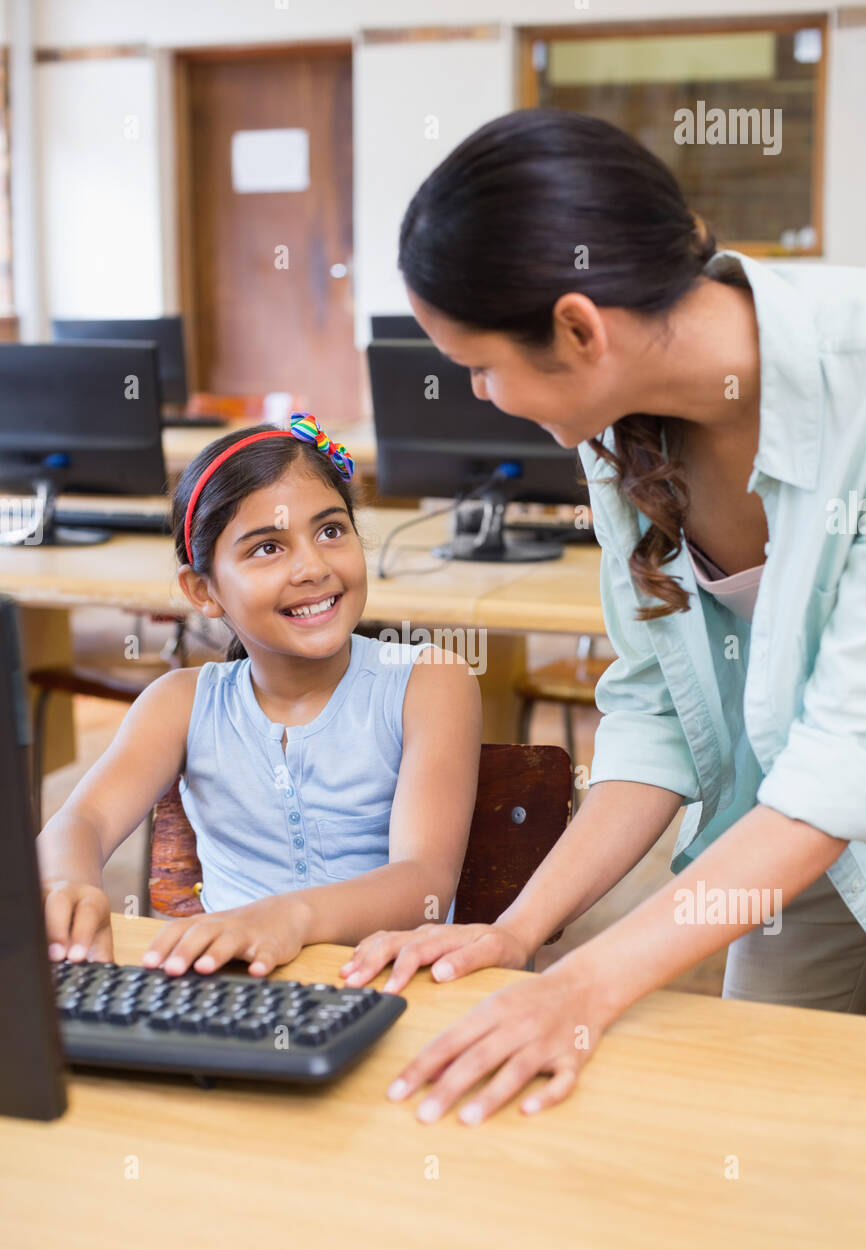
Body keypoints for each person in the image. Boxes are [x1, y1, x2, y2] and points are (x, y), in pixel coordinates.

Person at [340, 108, 866, 1126]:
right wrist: (521, 930)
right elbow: (655, 711)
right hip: (788, 841)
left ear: (579, 326)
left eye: (479, 366)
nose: (481, 395)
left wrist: (583, 988)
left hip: (813, 809)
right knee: (756, 1138)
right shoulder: (612, 417)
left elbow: (839, 766)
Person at [37, 417, 481, 976]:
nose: (313, 567)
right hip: (238, 987)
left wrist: (286, 918)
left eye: (330, 531)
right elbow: (81, 822)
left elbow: (425, 884)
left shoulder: (430, 681)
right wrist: (65, 884)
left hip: (393, 985)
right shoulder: (179, 703)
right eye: (268, 548)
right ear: (203, 590)